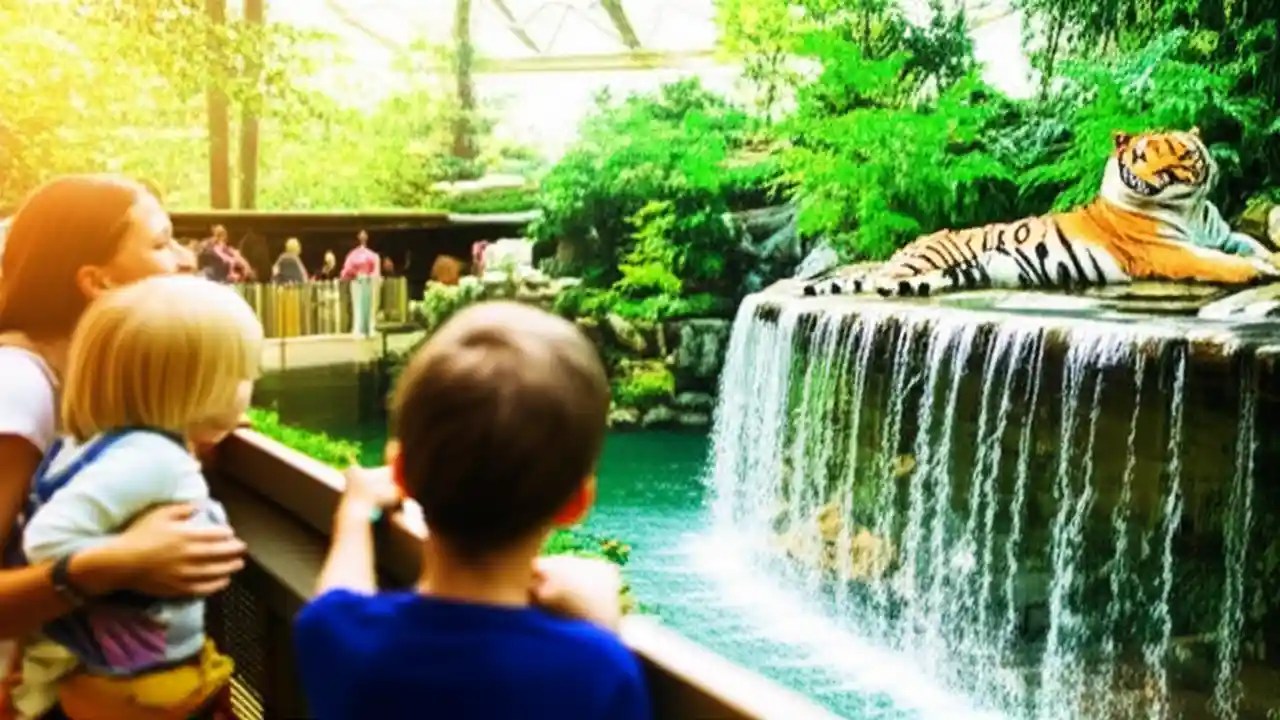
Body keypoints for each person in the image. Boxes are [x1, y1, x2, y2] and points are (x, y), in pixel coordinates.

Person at [292, 302, 650, 720]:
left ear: (401, 474)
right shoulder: (598, 673)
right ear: (576, 504)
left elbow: (338, 596)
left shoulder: (338, 638)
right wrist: (602, 623)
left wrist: (354, 515)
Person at [0, 175, 246, 718]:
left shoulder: (85, 388)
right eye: (161, 243)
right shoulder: (17, 387)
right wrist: (113, 565)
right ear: (98, 280)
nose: (186, 259)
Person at [339, 230, 379, 338]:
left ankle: (369, 327)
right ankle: (359, 328)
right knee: (358, 306)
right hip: (356, 283)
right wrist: (356, 274)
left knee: (369, 305)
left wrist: (370, 276)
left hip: (368, 283)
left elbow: (376, 271)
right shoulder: (353, 255)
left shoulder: (371, 255)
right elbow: (345, 271)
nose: (363, 238)